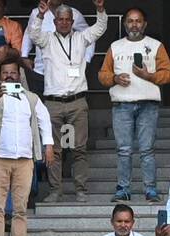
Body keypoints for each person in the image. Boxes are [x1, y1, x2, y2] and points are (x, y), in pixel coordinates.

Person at [28, 0, 109, 202]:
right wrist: (40, 15)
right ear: (54, 22)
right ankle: (56, 190)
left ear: (72, 21)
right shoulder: (46, 40)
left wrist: (100, 10)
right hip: (53, 103)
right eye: (60, 20)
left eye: (67, 20)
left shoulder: (82, 38)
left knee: (79, 148)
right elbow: (33, 34)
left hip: (77, 101)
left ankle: (81, 189)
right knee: (53, 149)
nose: (64, 23)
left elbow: (99, 28)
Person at [99, 7, 170, 202]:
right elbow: (102, 75)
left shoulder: (156, 45)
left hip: (148, 103)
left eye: (138, 21)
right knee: (124, 150)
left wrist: (149, 76)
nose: (134, 24)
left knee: (147, 149)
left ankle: (150, 189)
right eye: (130, 21)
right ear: (124, 24)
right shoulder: (115, 46)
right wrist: (115, 78)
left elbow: (168, 74)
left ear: (145, 24)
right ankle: (123, 189)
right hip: (122, 104)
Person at [0, 57, 55, 236]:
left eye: (12, 72)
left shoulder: (31, 98)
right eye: (5, 73)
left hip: (24, 160)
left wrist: (48, 145)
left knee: (20, 207)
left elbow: (44, 120)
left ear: (19, 75)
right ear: (0, 76)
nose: (8, 76)